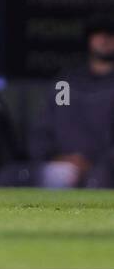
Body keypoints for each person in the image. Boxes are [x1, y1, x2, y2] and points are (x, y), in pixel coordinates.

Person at [32, 17, 114, 189]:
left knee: (99, 177)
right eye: (99, 34)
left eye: (111, 35)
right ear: (89, 39)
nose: (105, 39)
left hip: (105, 170)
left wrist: (94, 163)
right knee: (55, 175)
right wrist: (60, 158)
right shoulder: (67, 84)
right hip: (63, 166)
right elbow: (43, 131)